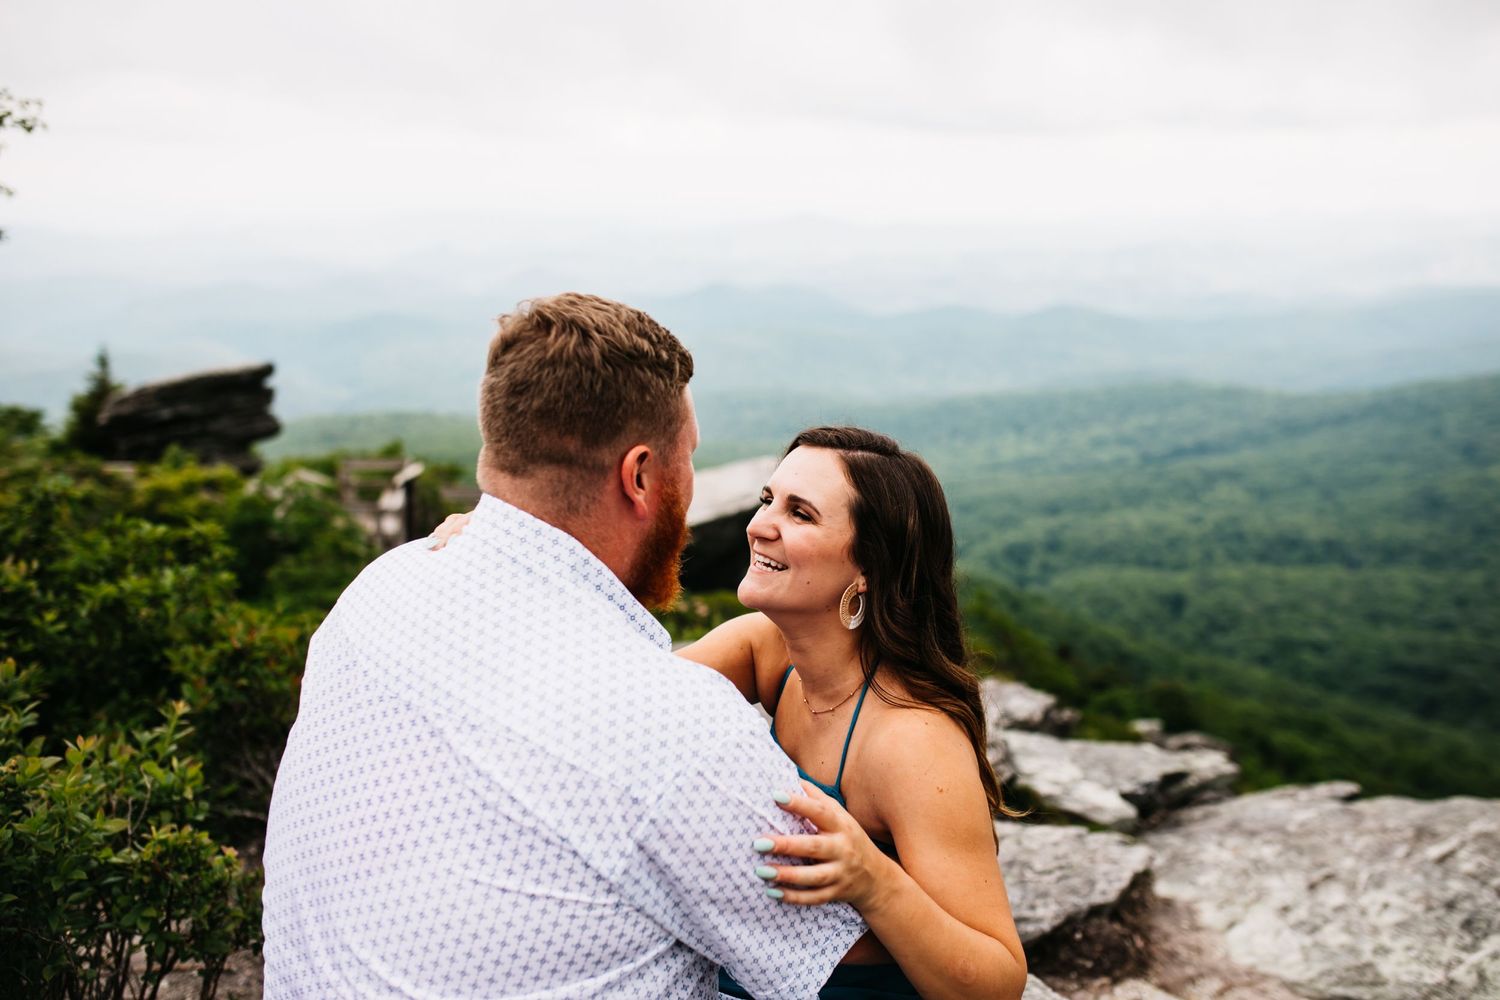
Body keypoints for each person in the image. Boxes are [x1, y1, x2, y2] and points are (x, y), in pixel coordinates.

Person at [261, 293, 867, 999]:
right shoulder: (674, 726)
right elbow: (855, 956)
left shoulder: (378, 590)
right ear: (640, 476)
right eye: (688, 456)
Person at [433, 427, 1029, 999]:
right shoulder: (768, 650)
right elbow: (605, 699)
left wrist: (873, 881)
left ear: (869, 567)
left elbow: (998, 980)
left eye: (800, 513)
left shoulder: (913, 742)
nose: (758, 526)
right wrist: (510, 556)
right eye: (767, 499)